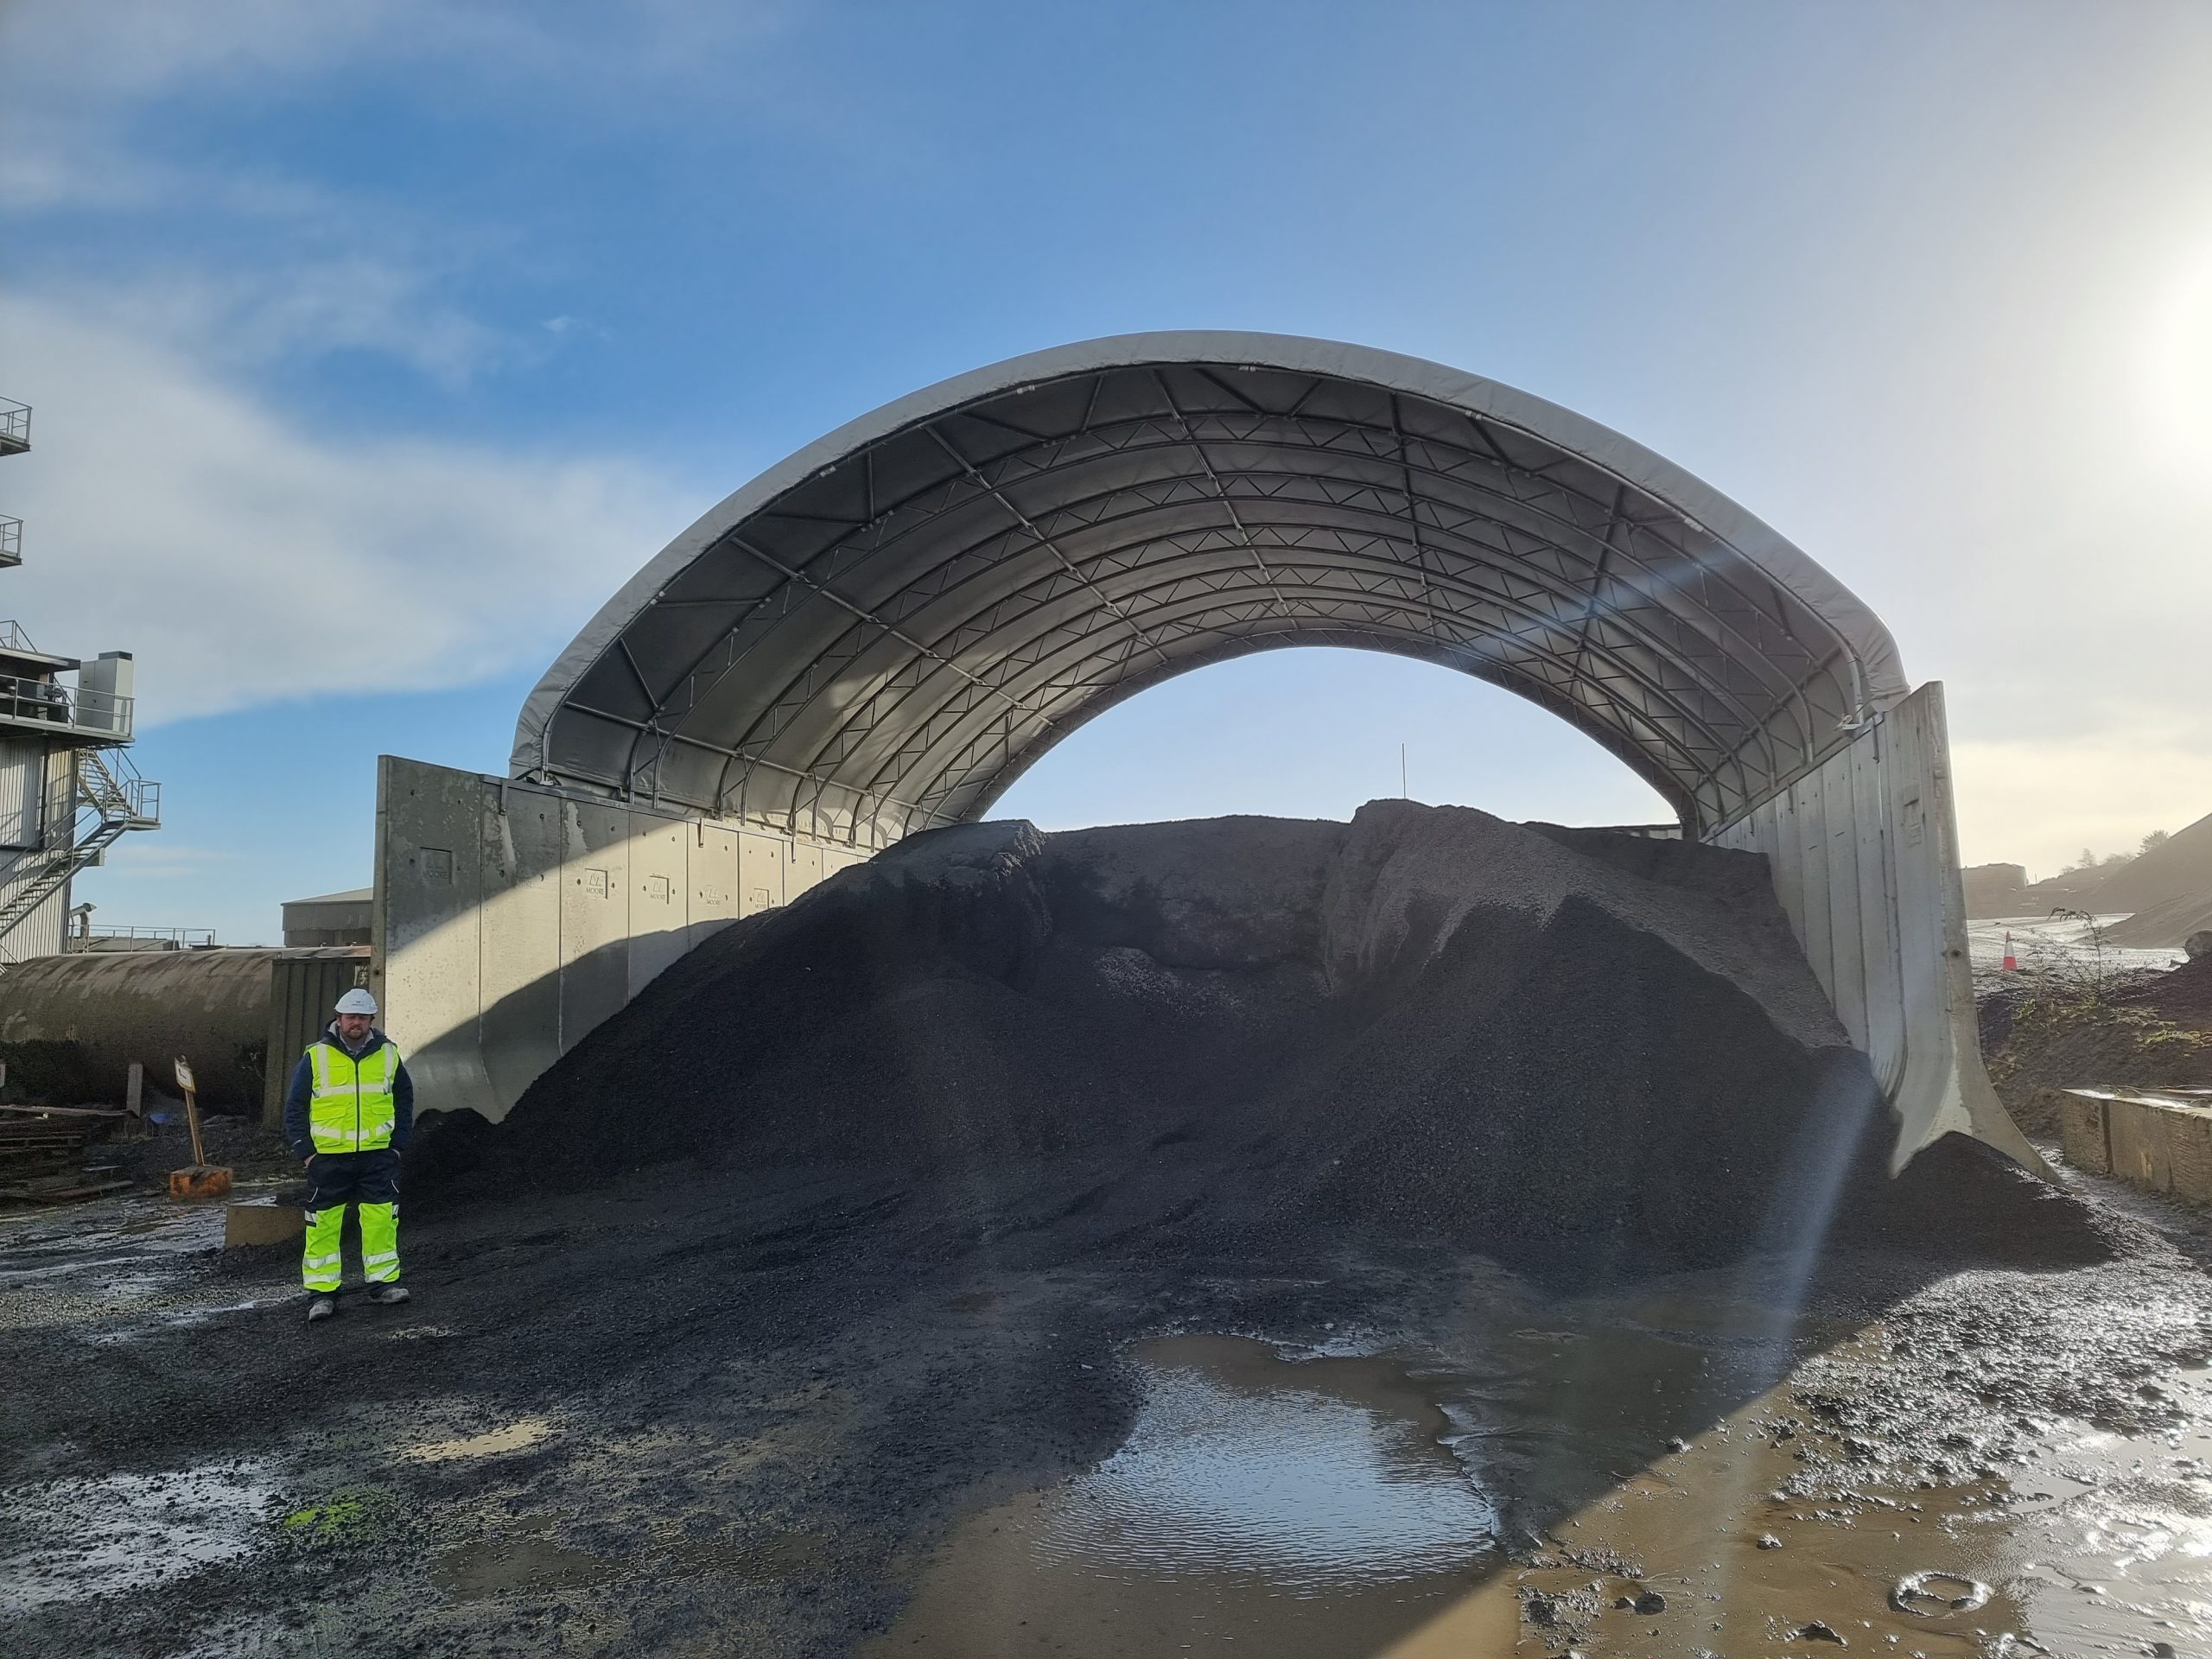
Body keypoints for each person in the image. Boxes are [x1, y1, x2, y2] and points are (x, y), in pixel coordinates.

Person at [283, 987, 414, 1323]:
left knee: (381, 1222)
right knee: (323, 1225)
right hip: (328, 1160)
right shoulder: (315, 1057)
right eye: (350, 1017)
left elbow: (404, 1100)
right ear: (338, 1019)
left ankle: (384, 1284)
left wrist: (398, 1144)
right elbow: (295, 1107)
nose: (356, 1022)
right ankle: (322, 1294)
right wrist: (306, 1153)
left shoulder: (388, 1055)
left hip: (377, 1158)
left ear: (371, 1020)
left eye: (362, 1017)